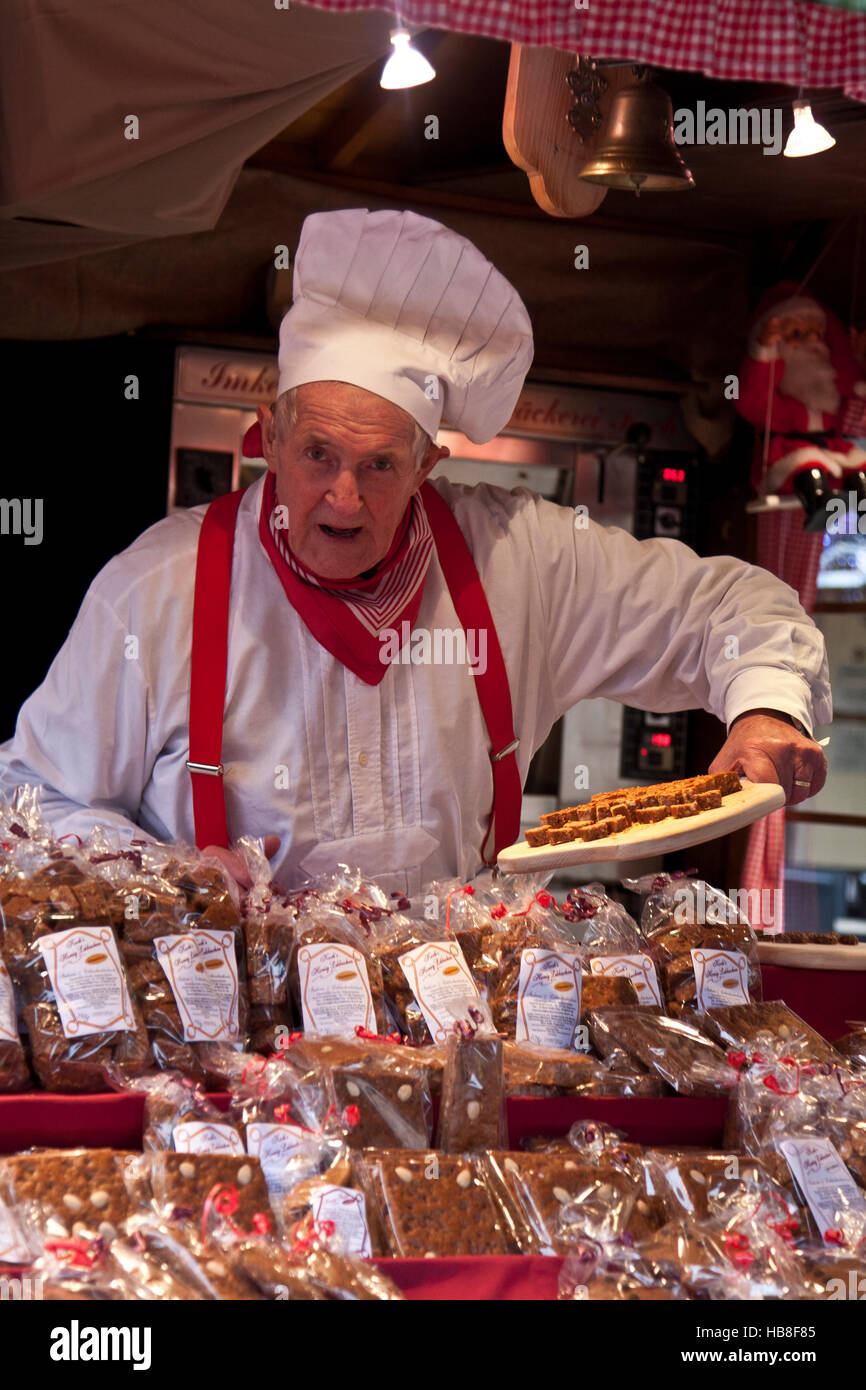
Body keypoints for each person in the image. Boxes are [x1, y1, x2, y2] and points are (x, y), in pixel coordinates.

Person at [0, 209, 830, 896]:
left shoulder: (522, 559)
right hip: (225, 1042)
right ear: (269, 439)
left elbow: (736, 608)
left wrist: (765, 708)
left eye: (381, 465)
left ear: (430, 463)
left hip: (462, 1032)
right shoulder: (158, 590)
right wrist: (174, 873)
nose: (344, 496)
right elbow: (30, 799)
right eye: (319, 454)